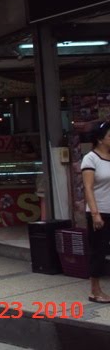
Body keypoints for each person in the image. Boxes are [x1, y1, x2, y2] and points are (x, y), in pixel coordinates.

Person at [80, 121, 110, 304]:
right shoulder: (90, 159)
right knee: (98, 250)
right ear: (100, 139)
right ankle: (95, 290)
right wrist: (95, 213)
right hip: (100, 212)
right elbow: (88, 188)